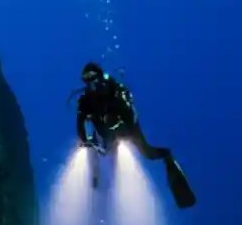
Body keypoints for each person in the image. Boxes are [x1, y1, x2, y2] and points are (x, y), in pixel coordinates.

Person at [73, 61, 196, 208]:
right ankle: (94, 184)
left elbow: (129, 117)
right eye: (86, 79)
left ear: (100, 76)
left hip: (128, 129)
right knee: (92, 148)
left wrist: (119, 128)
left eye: (92, 78)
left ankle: (169, 161)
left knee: (148, 153)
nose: (90, 83)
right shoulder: (86, 100)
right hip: (105, 132)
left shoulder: (115, 91)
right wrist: (84, 139)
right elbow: (80, 122)